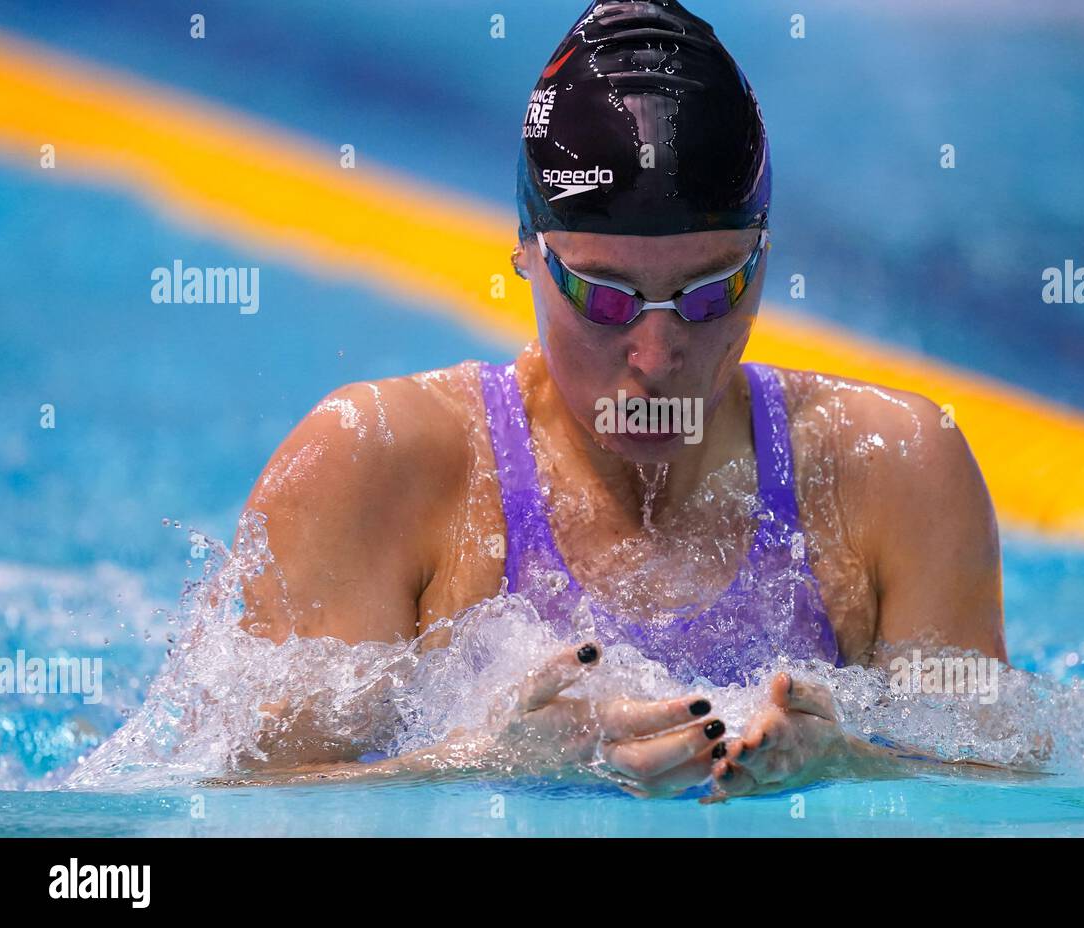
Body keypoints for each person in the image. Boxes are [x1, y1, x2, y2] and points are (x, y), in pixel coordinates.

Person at [233, 0, 1007, 798]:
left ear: (765, 257)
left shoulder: (898, 473)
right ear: (528, 252)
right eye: (605, 298)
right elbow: (232, 800)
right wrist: (486, 763)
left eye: (711, 294)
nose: (656, 355)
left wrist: (855, 766)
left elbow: (1017, 794)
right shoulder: (374, 463)